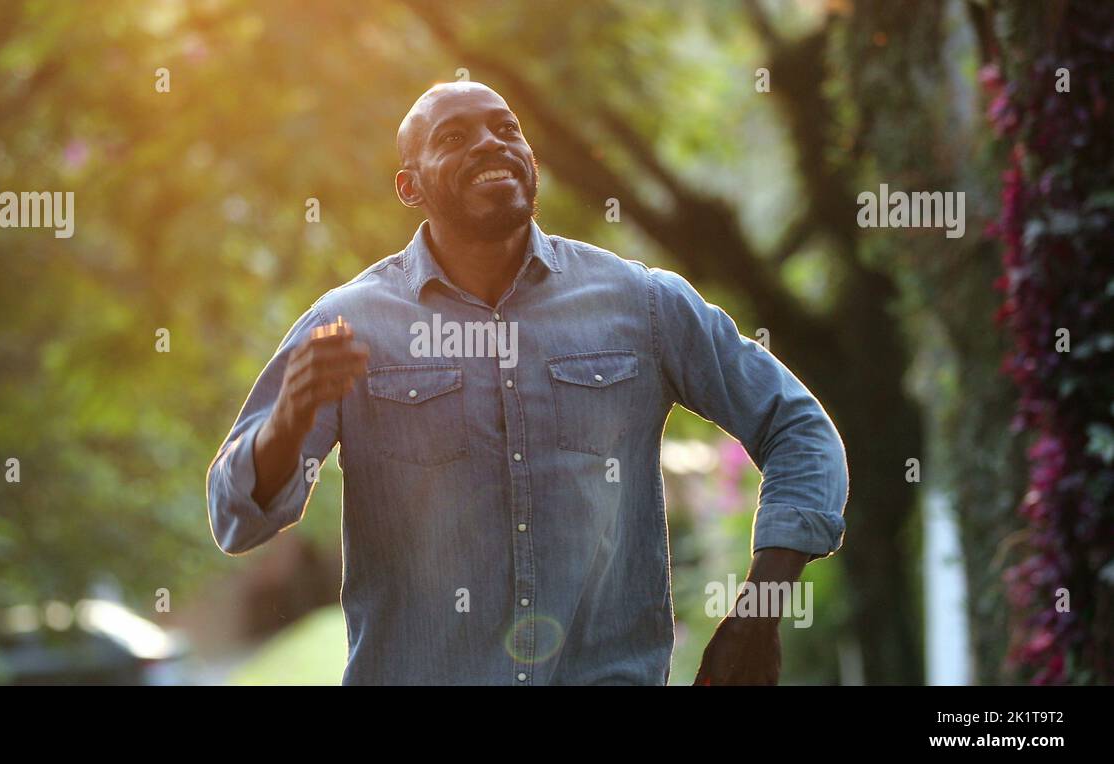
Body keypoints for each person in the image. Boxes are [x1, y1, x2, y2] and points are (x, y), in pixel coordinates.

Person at [207, 81, 849, 685]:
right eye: (454, 138)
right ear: (410, 186)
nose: (490, 143)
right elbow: (235, 519)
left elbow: (797, 427)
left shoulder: (642, 305)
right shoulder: (347, 325)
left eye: (505, 128)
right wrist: (289, 421)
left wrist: (760, 612)